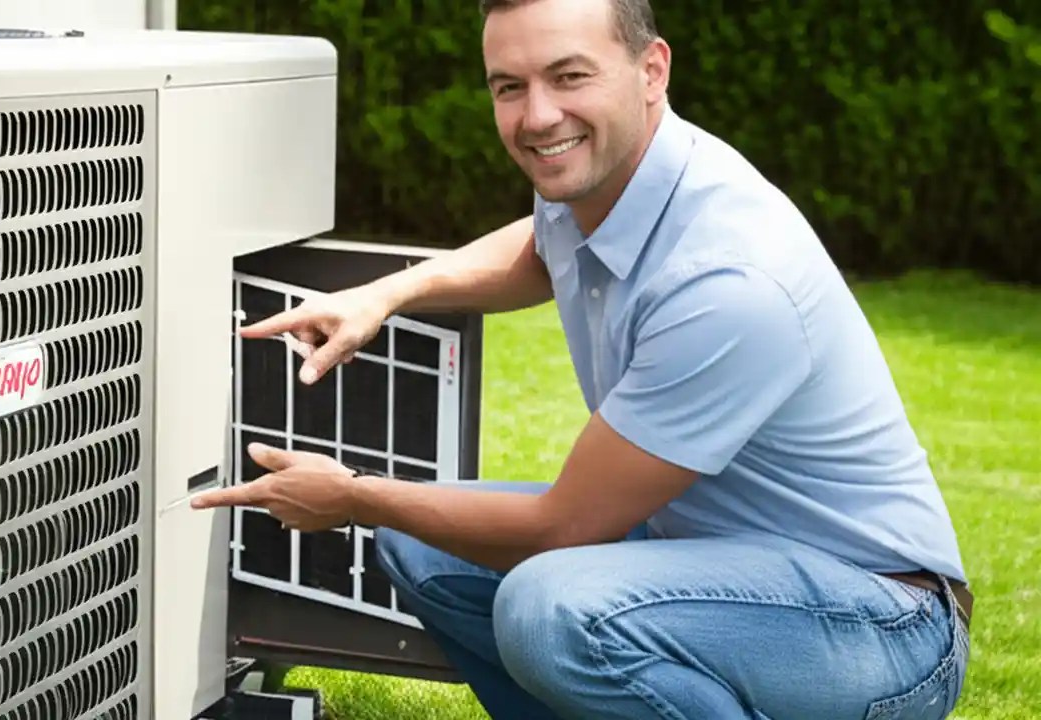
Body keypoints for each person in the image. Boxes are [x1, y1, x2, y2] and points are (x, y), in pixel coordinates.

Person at [191, 0, 973, 716]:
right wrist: (389, 294)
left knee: (551, 609)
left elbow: (561, 527)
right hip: (712, 560)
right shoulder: (613, 179)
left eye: (569, 77)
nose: (537, 116)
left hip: (883, 624)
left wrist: (352, 495)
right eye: (509, 86)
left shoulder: (728, 279)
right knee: (419, 544)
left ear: (651, 71)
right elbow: (541, 246)